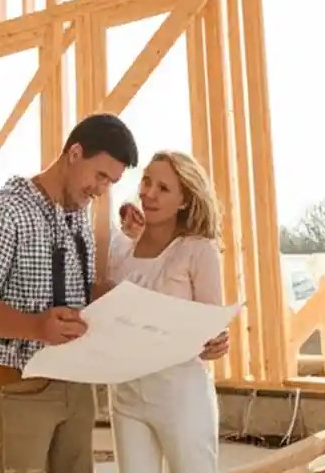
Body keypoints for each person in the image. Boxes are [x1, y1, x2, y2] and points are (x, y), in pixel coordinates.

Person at [0, 113, 139, 473]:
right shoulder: (4, 212)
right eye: (100, 175)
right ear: (74, 153)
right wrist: (36, 327)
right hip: (18, 386)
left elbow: (82, 291)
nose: (101, 189)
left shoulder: (78, 217)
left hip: (76, 382)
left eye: (112, 181)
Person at [108, 150, 231, 473]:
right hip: (126, 395)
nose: (149, 193)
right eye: (146, 182)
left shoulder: (198, 251)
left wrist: (218, 340)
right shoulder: (120, 248)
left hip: (182, 398)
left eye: (163, 188)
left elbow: (211, 328)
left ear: (184, 201)